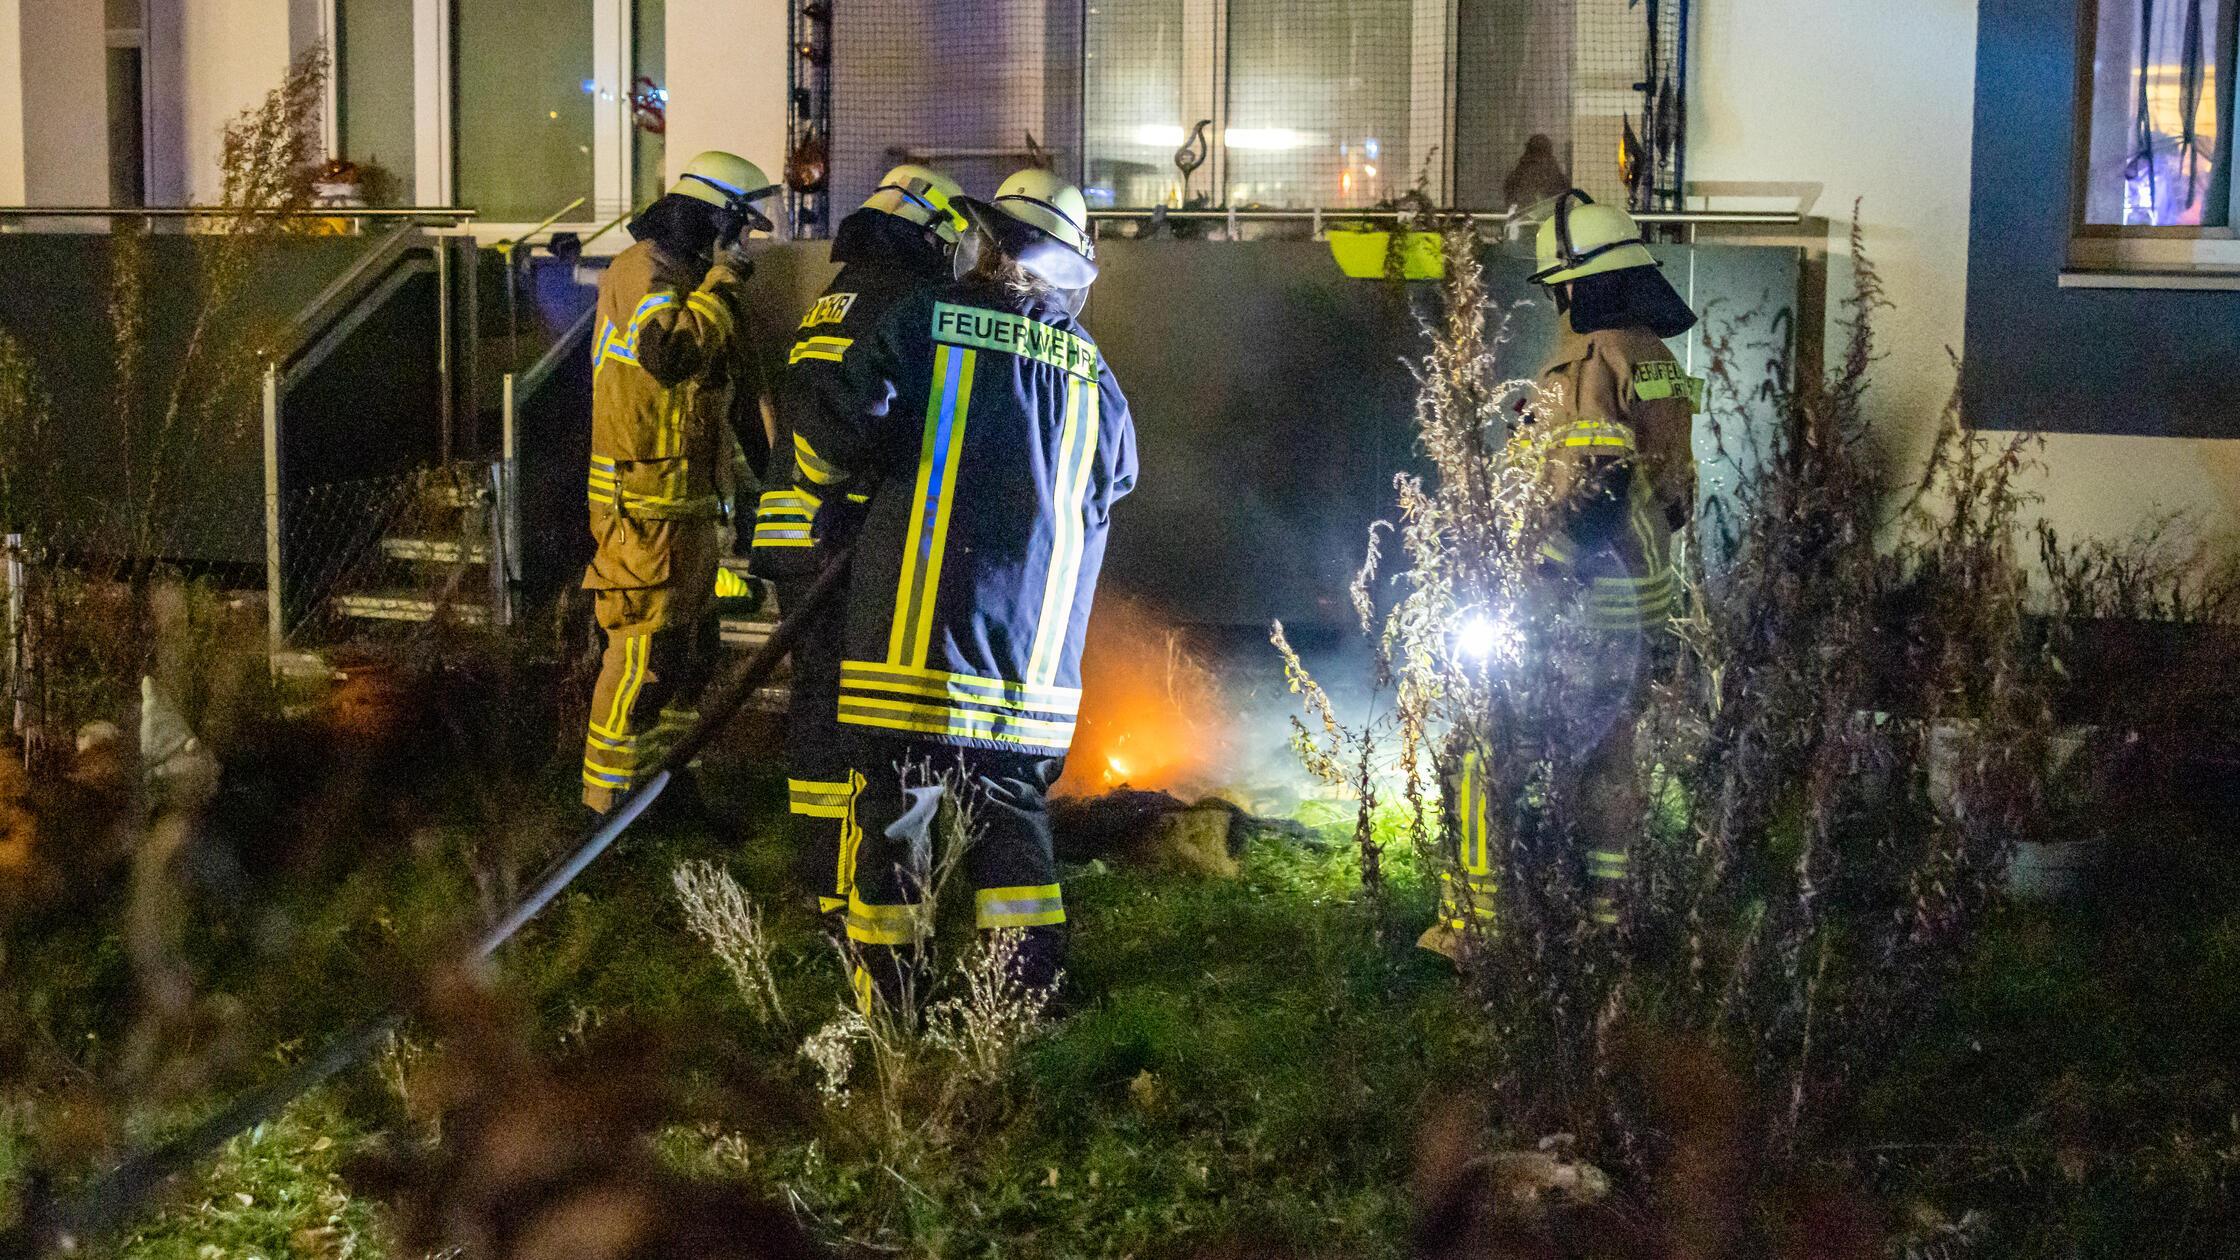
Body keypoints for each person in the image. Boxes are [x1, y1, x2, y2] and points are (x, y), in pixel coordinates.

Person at [795, 168, 1137, 1010]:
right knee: (1010, 815)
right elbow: (1115, 478)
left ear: (987, 243)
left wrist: (834, 510)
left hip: (909, 644)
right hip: (1025, 667)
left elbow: (834, 432)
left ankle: (889, 1003)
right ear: (1066, 271)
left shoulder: (922, 322)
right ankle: (1021, 998)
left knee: (895, 813)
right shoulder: (1095, 372)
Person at [1423, 189, 1701, 957]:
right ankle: (1607, 922)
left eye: (1558, 288)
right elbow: (1674, 497)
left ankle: (1476, 930)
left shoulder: (1588, 359)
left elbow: (1596, 483)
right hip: (1642, 603)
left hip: (1577, 602)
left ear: (1579, 283)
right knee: (1609, 760)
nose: (1557, 302)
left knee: (1480, 751)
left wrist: (1539, 581)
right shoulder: (1660, 364)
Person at [749, 165, 967, 915]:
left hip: (789, 518)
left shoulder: (838, 295)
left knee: (815, 694)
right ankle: (857, 878)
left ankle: (820, 871)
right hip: (838, 526)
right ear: (928, 236)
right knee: (859, 704)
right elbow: (892, 420)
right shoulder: (904, 300)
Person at [580, 151, 778, 815]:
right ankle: (604, 809)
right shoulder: (646, 270)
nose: (745, 242)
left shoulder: (696, 278)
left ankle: (666, 789)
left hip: (687, 512)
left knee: (690, 657)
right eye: (740, 226)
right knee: (640, 654)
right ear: (715, 216)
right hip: (638, 509)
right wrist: (721, 285)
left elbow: (741, 394)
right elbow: (669, 355)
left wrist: (770, 488)